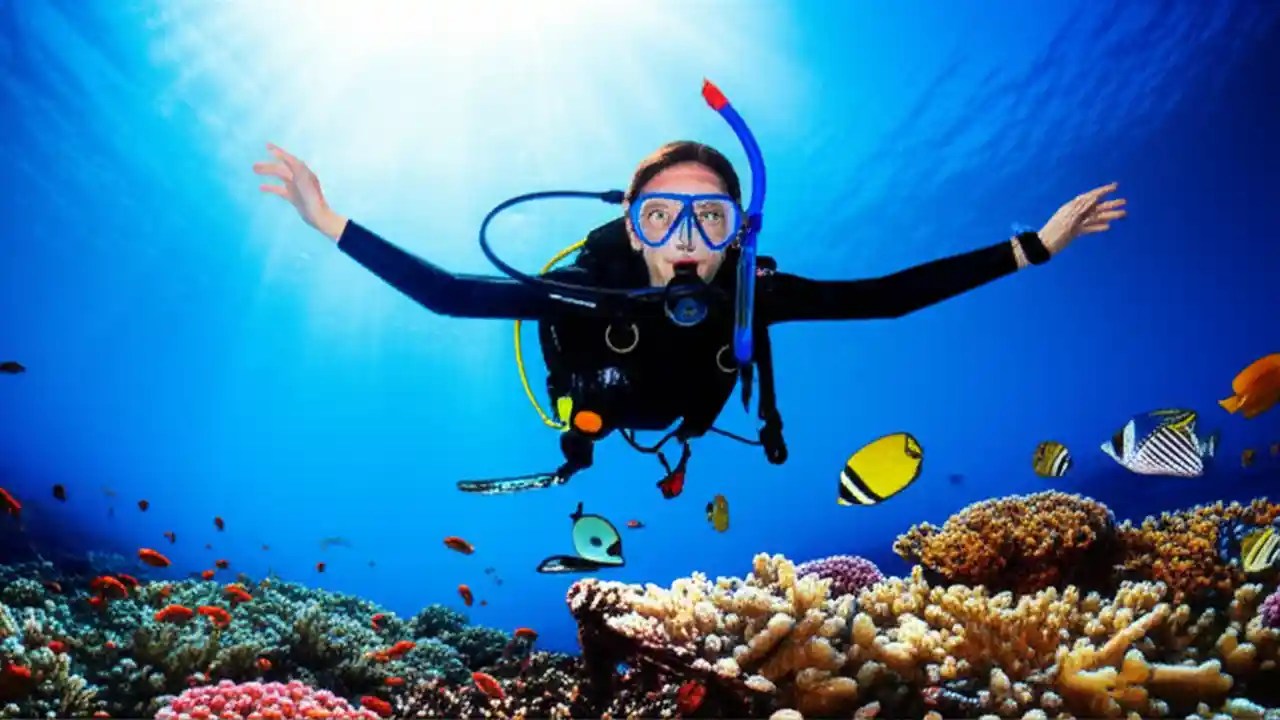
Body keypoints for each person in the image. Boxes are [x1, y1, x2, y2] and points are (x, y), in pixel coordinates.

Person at [252, 140, 1126, 496]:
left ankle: (625, 449)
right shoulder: (586, 288)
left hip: (687, 420)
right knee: (583, 429)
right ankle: (577, 451)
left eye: (708, 220)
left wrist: (1034, 246)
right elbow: (449, 294)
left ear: (734, 234)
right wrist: (328, 220)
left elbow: (886, 299)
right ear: (631, 228)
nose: (683, 243)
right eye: (659, 217)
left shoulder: (753, 294)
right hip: (600, 401)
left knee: (675, 434)